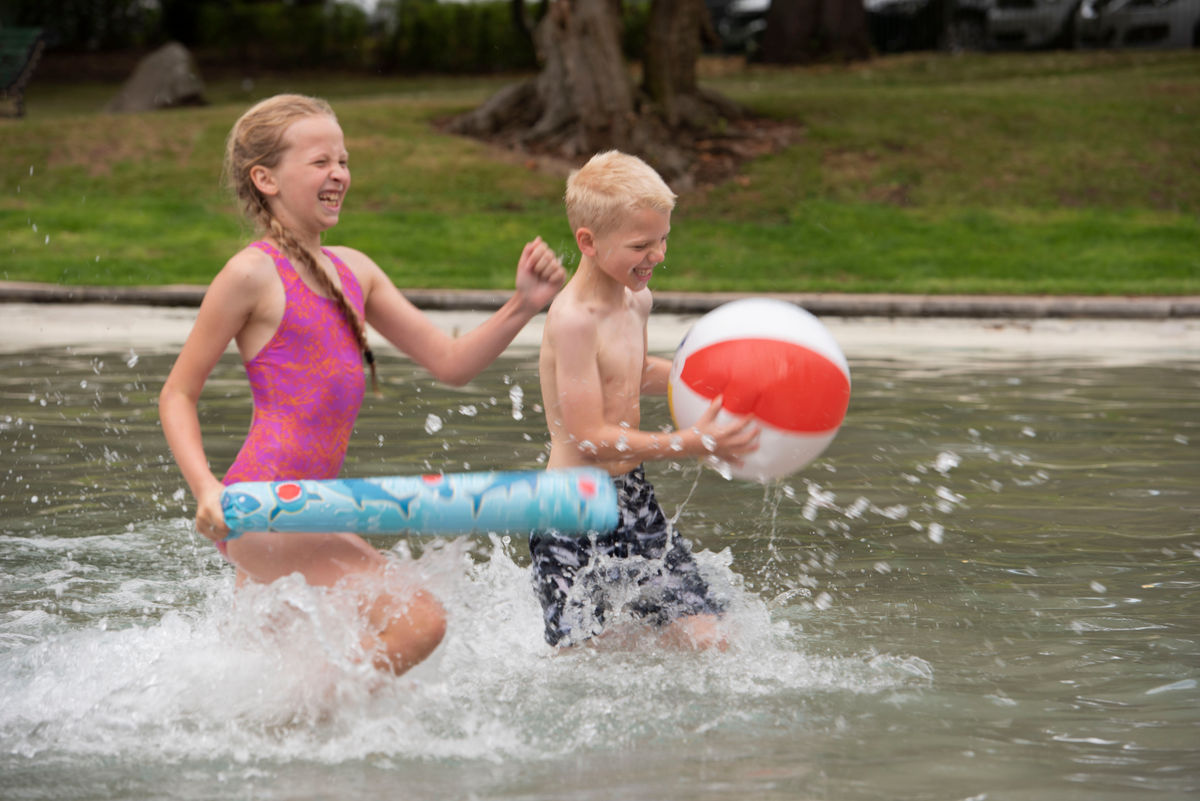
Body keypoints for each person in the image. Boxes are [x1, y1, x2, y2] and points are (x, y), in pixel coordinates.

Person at [159, 94, 565, 676]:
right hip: (264, 505)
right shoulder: (252, 273)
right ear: (265, 178)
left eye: (344, 160)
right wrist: (206, 489)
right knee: (419, 620)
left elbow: (451, 364)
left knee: (277, 671)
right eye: (321, 161)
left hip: (313, 506)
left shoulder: (357, 271)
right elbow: (177, 393)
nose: (340, 174)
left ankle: (290, 746)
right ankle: (312, 724)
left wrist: (523, 305)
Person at [531, 150, 759, 650]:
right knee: (586, 660)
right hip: (571, 509)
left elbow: (630, 374)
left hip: (633, 498)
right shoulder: (574, 320)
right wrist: (690, 441)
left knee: (711, 640)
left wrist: (710, 382)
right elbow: (588, 436)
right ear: (587, 242)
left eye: (663, 238)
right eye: (641, 244)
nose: (658, 255)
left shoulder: (637, 300)